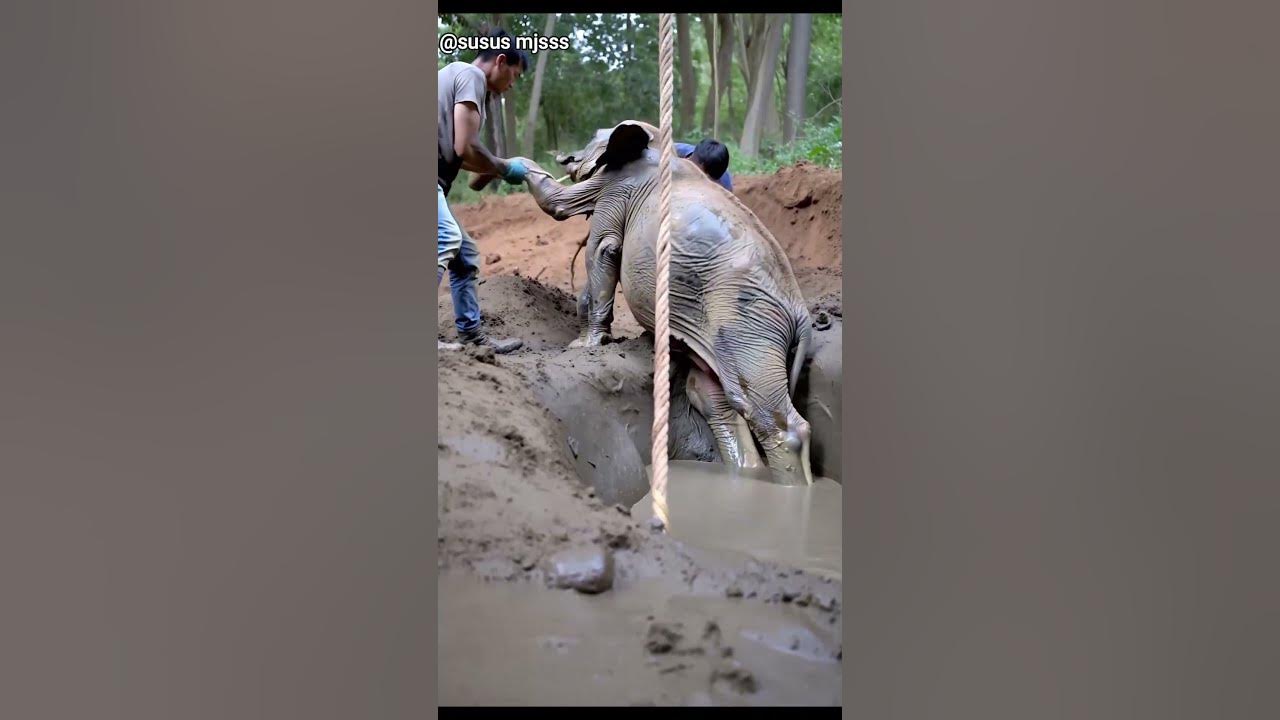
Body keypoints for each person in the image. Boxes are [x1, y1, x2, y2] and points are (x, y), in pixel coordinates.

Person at [437, 31, 531, 353]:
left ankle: (472, 336)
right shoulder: (471, 75)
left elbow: (459, 156)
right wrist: (502, 167)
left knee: (464, 255)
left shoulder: (457, 79)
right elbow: (466, 146)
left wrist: (495, 167)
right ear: (501, 61)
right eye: (515, 75)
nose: (513, 84)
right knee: (446, 237)